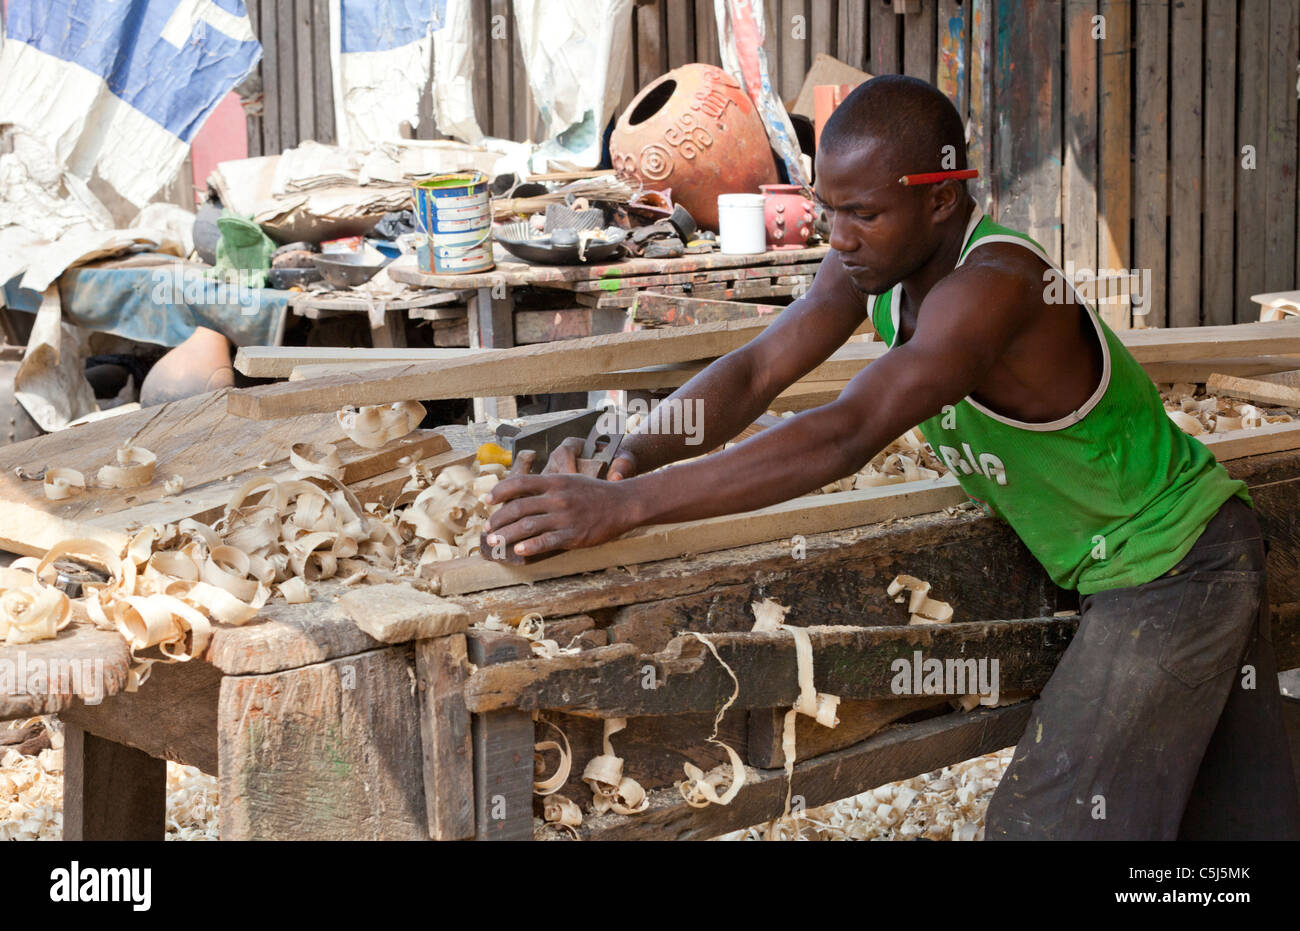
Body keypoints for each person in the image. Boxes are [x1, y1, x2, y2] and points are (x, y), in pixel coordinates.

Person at [484, 74, 1300, 840]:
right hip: (1153, 560)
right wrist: (624, 455)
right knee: (1240, 829)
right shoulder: (873, 261)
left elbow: (846, 431)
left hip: (1172, 569)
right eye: (826, 209)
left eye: (863, 213)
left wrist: (625, 509)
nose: (839, 237)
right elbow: (760, 368)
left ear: (941, 198)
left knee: (1041, 827)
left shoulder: (997, 286)